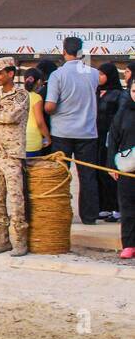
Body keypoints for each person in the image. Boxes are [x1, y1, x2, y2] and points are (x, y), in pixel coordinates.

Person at [44, 36, 101, 224]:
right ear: (80, 52)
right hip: (88, 132)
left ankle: (59, 214)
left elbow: (50, 106)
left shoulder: (57, 75)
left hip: (62, 132)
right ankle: (90, 216)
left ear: (63, 51)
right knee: (88, 176)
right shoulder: (92, 73)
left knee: (60, 174)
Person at [0, 56, 30, 256]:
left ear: (11, 73)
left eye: (0, 73)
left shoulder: (21, 95)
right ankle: (2, 240)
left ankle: (20, 241)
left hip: (12, 153)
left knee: (16, 199)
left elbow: (12, 116)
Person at [106, 76, 135, 259]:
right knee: (128, 207)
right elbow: (113, 140)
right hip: (127, 168)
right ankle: (129, 244)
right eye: (133, 91)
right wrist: (112, 166)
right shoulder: (123, 112)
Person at [95, 61, 123, 222]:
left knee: (110, 171)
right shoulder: (97, 92)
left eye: (102, 74)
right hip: (96, 136)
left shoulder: (119, 94)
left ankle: (116, 208)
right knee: (98, 171)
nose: (99, 77)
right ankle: (104, 206)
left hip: (110, 137)